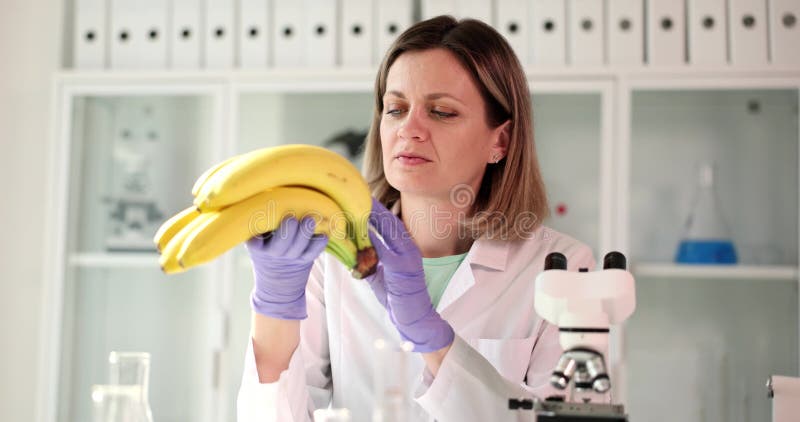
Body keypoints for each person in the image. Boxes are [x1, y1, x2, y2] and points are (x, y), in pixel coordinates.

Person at [237, 15, 595, 422]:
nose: (410, 128)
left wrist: (432, 337)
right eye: (395, 108)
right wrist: (273, 310)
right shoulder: (330, 257)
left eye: (441, 112)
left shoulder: (563, 270)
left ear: (500, 141)